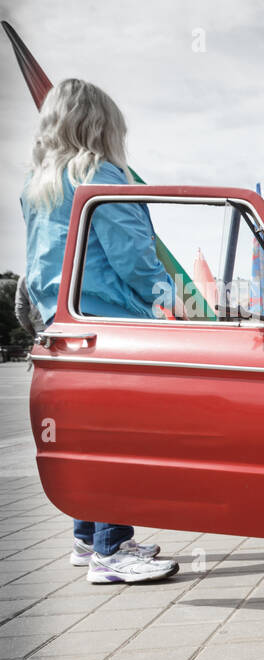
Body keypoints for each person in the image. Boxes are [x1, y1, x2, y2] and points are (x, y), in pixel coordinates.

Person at [21, 78, 178, 583]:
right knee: (120, 439)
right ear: (101, 125)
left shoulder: (37, 185)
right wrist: (169, 301)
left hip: (62, 326)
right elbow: (134, 258)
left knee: (86, 438)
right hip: (111, 326)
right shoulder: (103, 176)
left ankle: (90, 539)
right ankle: (111, 553)